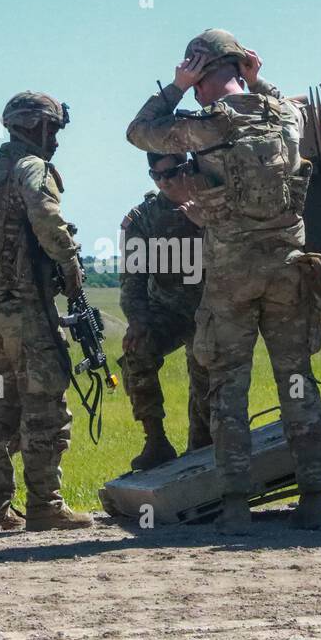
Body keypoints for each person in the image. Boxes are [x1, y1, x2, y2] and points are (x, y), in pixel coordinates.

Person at [126, 31, 321, 533]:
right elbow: (294, 114)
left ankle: (236, 507)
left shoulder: (200, 127)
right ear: (243, 66)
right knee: (297, 382)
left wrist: (175, 87)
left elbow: (139, 132)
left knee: (228, 389)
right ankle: (314, 501)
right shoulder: (283, 115)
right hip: (289, 269)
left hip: (232, 276)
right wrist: (261, 81)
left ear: (200, 70)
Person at [0, 91, 94, 533]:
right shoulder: (31, 167)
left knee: (1, 409)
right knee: (45, 407)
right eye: (54, 131)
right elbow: (47, 217)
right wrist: (71, 268)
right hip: (25, 311)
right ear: (40, 127)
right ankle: (45, 505)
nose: (56, 141)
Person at [118, 151, 210, 470]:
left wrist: (206, 223)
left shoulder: (214, 201)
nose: (165, 182)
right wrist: (138, 323)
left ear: (188, 167)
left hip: (212, 309)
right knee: (137, 349)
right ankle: (155, 441)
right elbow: (132, 280)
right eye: (157, 177)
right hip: (167, 310)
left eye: (172, 173)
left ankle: (203, 445)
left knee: (205, 373)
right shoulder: (143, 218)